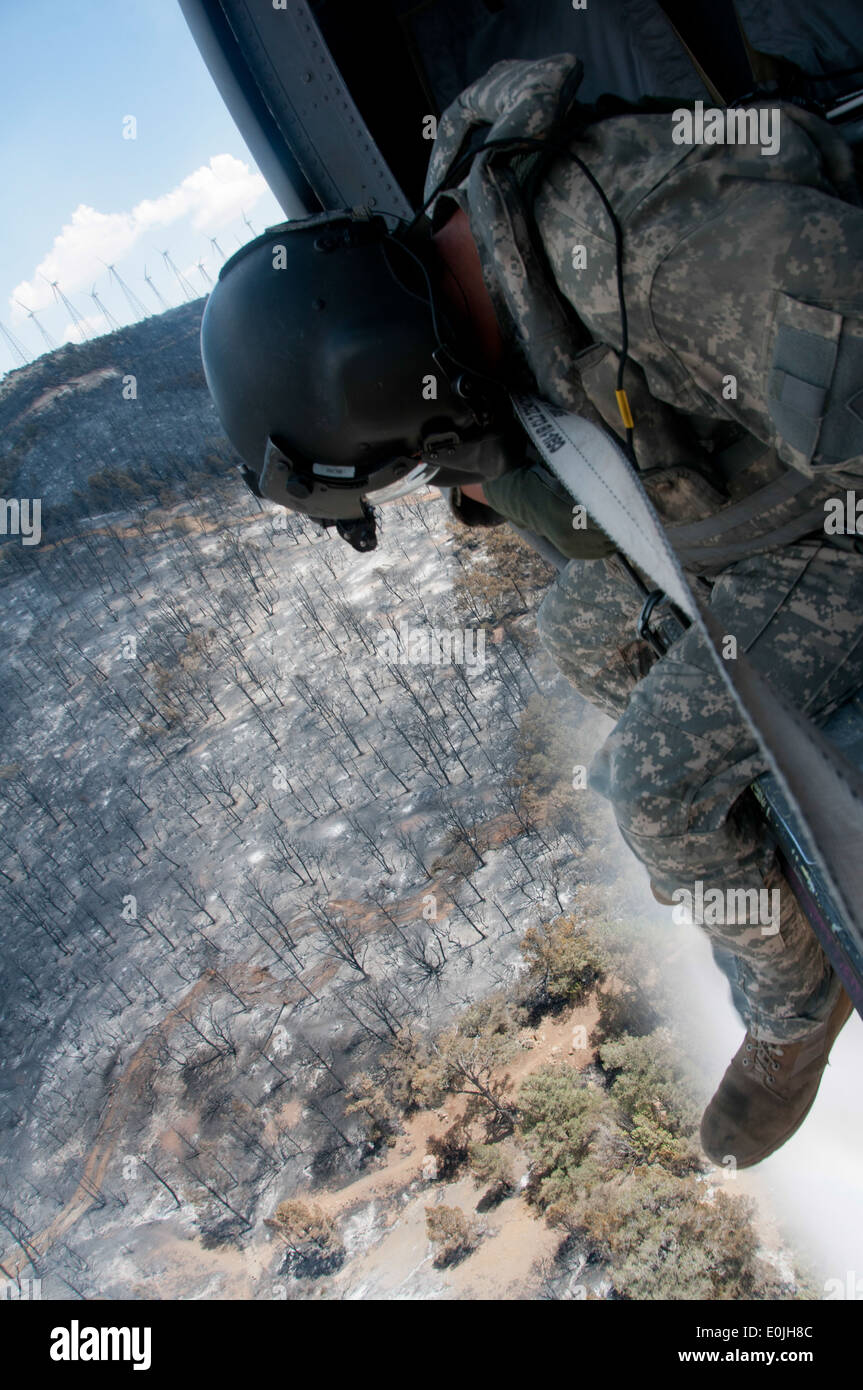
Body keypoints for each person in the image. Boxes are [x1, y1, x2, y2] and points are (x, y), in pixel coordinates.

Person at [200, 52, 863, 1167]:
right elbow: (629, 489)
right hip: (767, 492)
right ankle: (762, 843)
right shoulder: (492, 276)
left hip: (837, 511)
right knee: (579, 625)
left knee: (653, 782)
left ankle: (797, 1012)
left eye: (417, 469)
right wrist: (520, 456)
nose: (447, 485)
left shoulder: (644, 256)